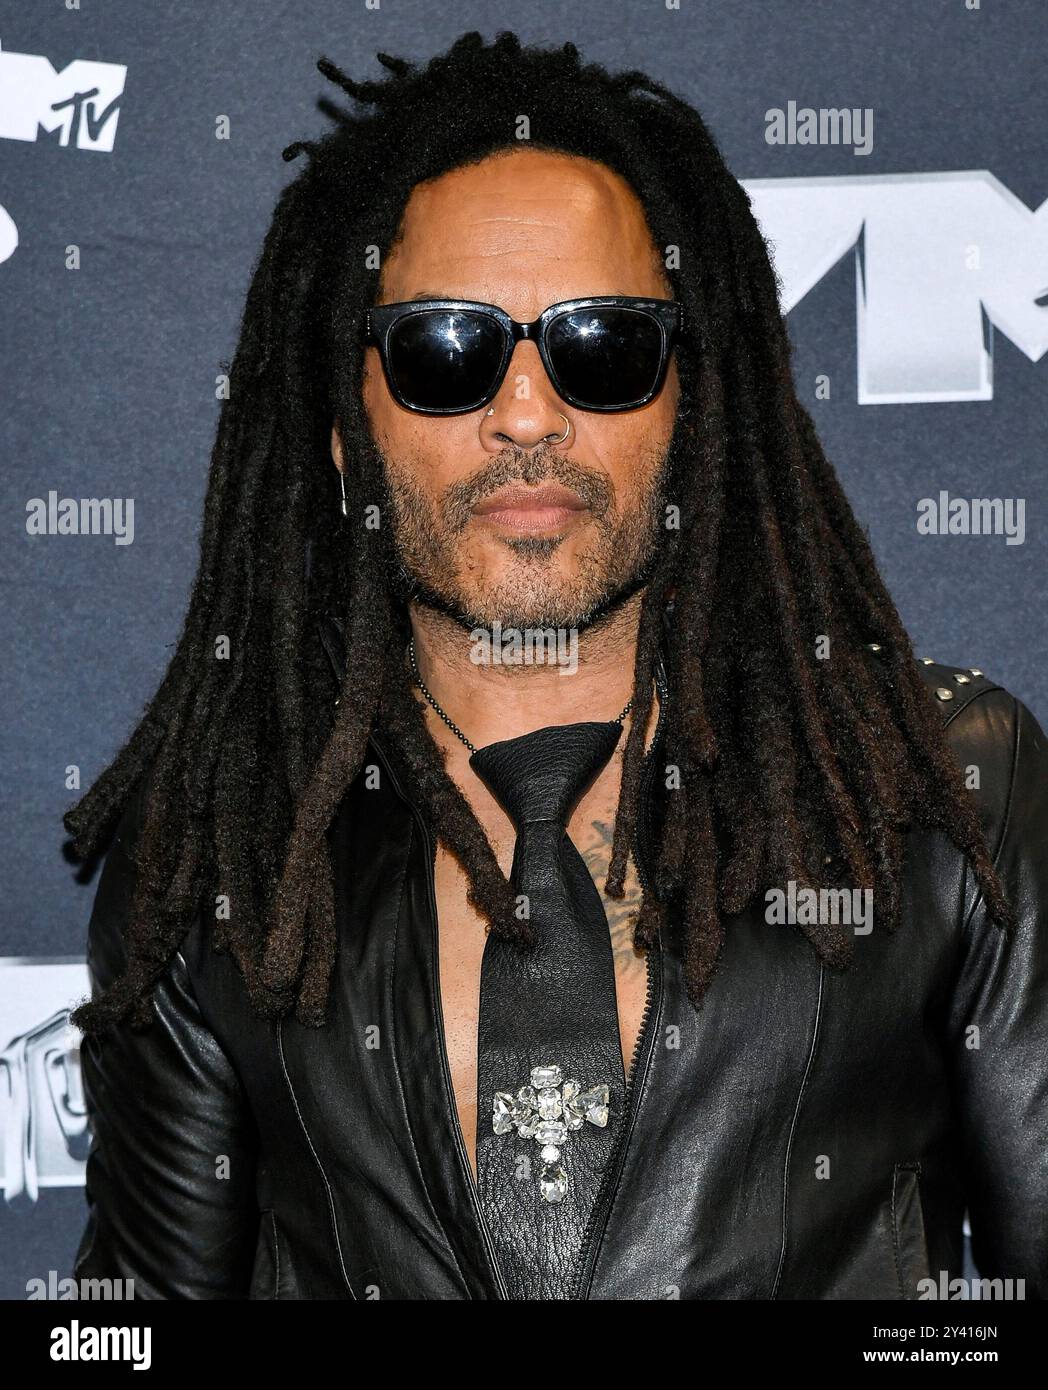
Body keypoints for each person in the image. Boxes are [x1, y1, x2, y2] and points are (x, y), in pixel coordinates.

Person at [66, 31, 1047, 1300]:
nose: (526, 413)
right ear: (338, 429)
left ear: (692, 405)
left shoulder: (939, 791)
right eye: (442, 349)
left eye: (600, 344)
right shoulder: (221, 850)